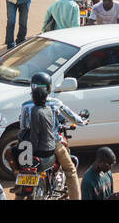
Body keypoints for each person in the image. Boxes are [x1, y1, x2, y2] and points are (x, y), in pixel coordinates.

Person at [17, 71, 85, 200]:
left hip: (29, 146)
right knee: (70, 171)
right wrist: (82, 121)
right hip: (53, 144)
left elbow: (23, 126)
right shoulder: (55, 103)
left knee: (23, 171)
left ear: (32, 87)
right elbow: (71, 116)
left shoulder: (25, 105)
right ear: (48, 88)